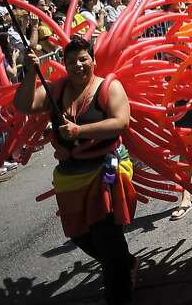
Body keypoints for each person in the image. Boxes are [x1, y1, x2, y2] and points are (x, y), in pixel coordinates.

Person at [14, 39, 137, 305]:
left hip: (106, 172)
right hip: (71, 178)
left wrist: (80, 131)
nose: (78, 66)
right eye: (71, 62)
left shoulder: (108, 87)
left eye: (83, 59)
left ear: (93, 60)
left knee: (107, 237)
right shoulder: (57, 89)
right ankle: (124, 264)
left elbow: (121, 122)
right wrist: (29, 72)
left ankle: (120, 289)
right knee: (80, 234)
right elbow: (24, 105)